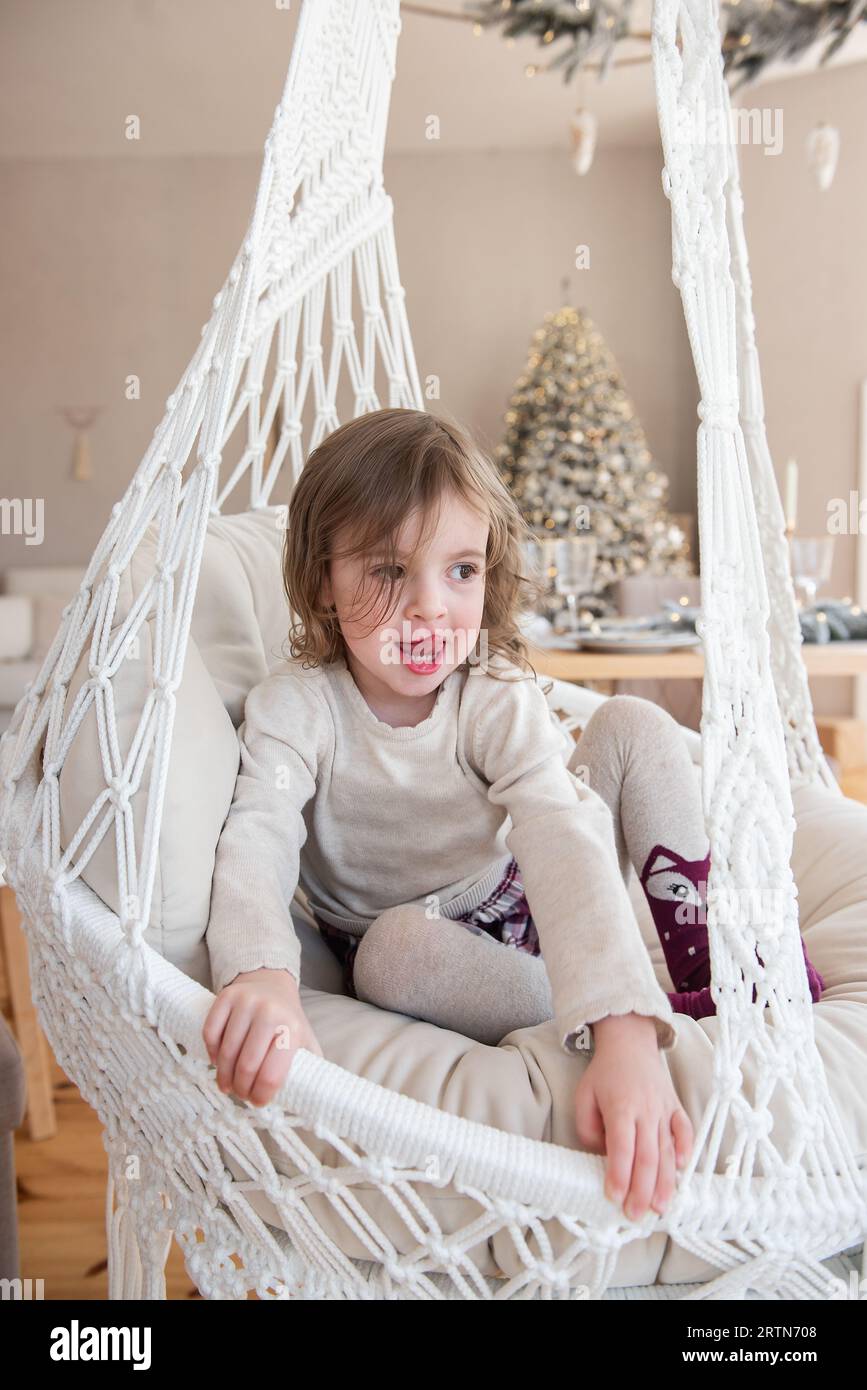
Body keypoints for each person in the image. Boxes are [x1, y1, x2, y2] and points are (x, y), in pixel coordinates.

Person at [203, 407, 824, 1223]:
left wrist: (626, 1033)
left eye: (460, 570)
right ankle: (581, 994)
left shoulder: (488, 690)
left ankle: (699, 959)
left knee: (632, 727)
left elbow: (556, 824)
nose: (431, 609)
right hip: (426, 937)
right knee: (391, 954)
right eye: (389, 572)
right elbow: (257, 835)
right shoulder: (298, 706)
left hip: (524, 887)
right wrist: (261, 977)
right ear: (322, 579)